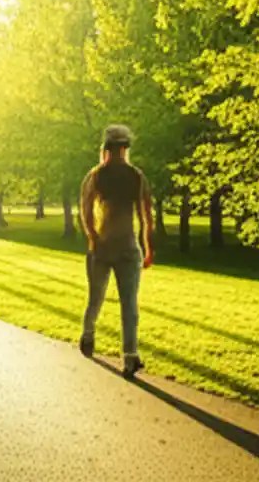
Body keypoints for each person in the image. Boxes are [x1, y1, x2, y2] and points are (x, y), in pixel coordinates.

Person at [78, 124, 154, 379]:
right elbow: (146, 217)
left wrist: (93, 237)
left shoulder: (96, 175)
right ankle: (124, 352)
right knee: (124, 304)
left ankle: (124, 353)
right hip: (123, 248)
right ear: (122, 149)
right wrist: (147, 247)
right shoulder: (134, 176)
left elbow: (85, 211)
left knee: (103, 300)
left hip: (108, 248)